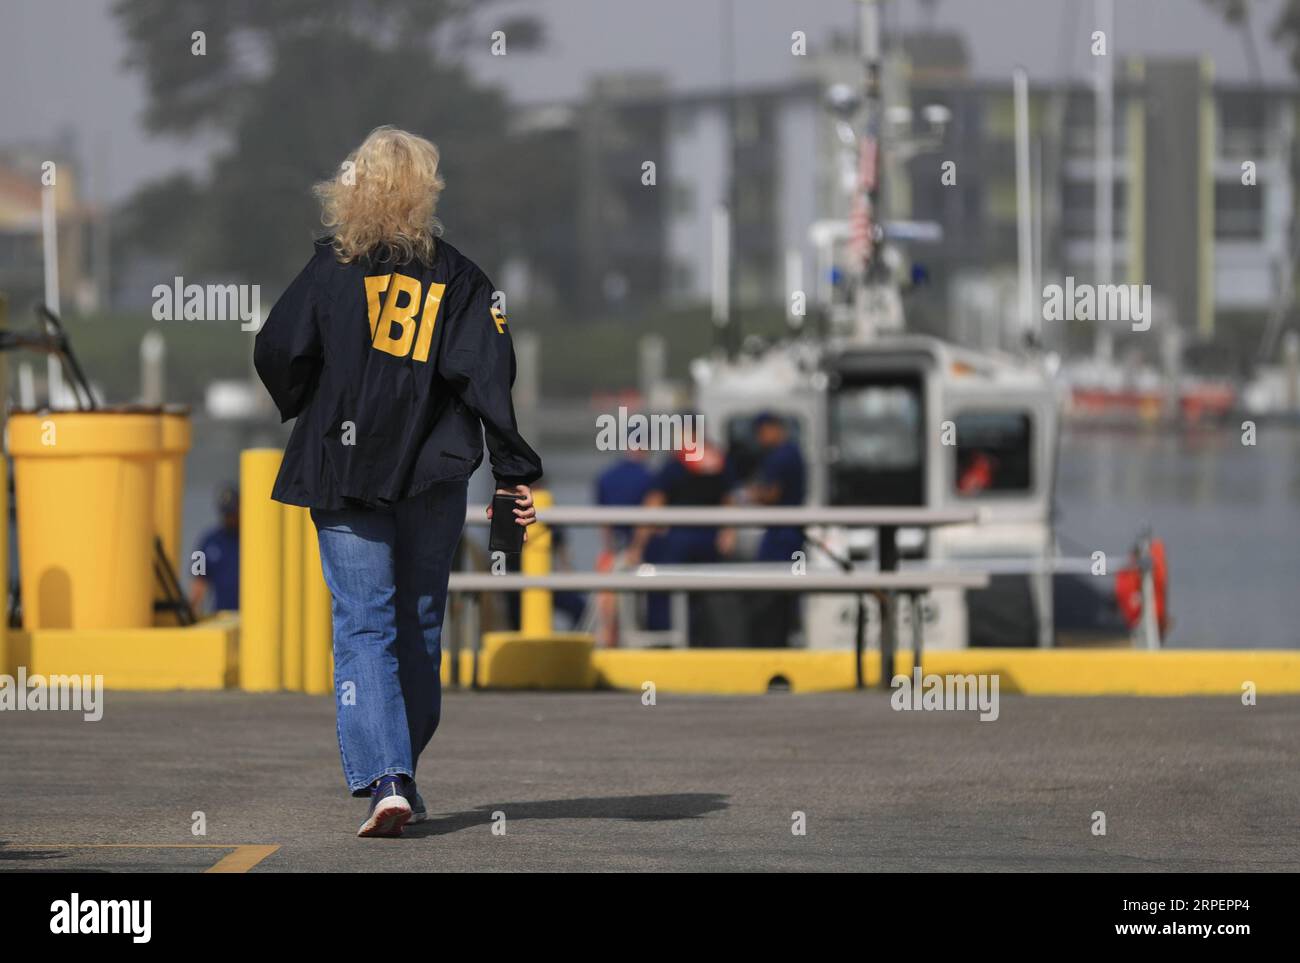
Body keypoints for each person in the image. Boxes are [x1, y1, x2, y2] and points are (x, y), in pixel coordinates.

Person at [253, 126, 541, 838]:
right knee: (418, 624)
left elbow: (278, 349)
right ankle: (399, 770)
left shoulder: (330, 269)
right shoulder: (462, 278)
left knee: (364, 625)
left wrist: (314, 394)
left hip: (342, 468)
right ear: (425, 193)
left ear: (354, 189)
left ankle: (389, 776)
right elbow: (489, 377)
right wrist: (514, 471)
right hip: (430, 472)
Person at [746, 412, 806, 647]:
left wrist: (749, 495)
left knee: (771, 593)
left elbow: (772, 493)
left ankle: (774, 645)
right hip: (789, 532)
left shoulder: (781, 456)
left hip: (783, 535)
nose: (760, 439)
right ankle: (784, 641)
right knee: (783, 594)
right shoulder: (792, 452)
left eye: (761, 432)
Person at [189, 483, 240, 614]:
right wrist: (192, 613)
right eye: (227, 513)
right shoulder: (207, 541)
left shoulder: (254, 540)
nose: (230, 518)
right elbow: (198, 582)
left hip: (254, 616)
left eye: (233, 512)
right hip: (222, 616)